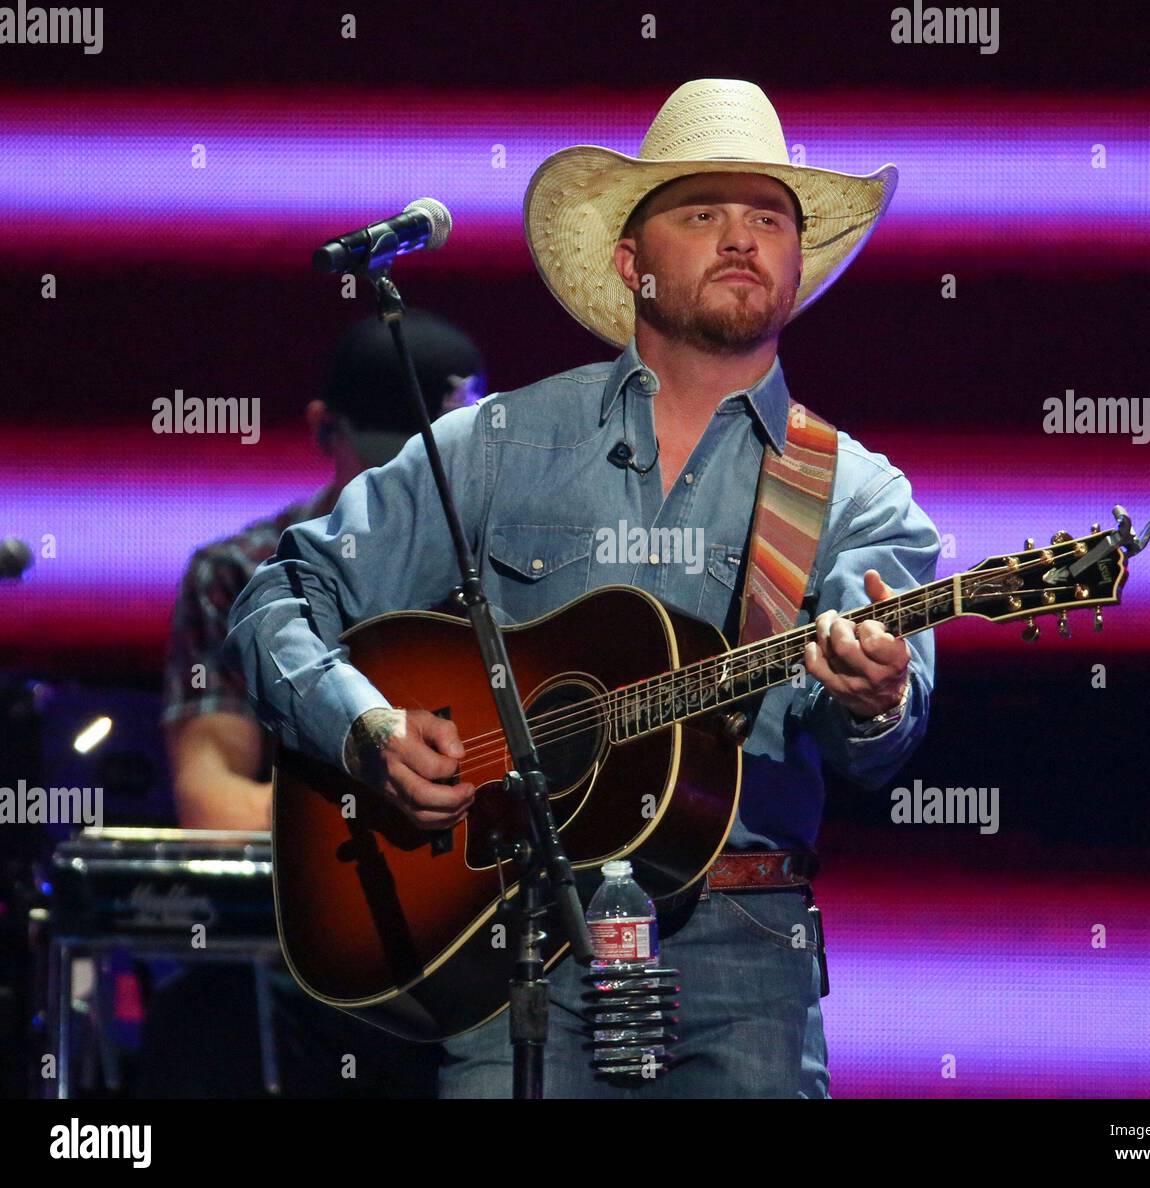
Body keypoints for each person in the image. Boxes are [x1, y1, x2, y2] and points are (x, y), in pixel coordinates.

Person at [226, 78, 940, 1099]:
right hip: (516, 941)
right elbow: (278, 597)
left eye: (768, 218)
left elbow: (886, 737)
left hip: (747, 956)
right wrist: (366, 729)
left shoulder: (855, 491)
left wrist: (876, 699)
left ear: (796, 262)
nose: (741, 238)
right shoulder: (499, 445)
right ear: (629, 262)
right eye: (702, 213)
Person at [138, 310, 485, 1098]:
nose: (416, 480)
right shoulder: (238, 573)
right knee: (211, 1023)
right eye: (392, 452)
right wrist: (397, 805)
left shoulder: (513, 565)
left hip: (484, 935)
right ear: (324, 428)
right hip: (311, 942)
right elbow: (213, 800)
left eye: (442, 454)